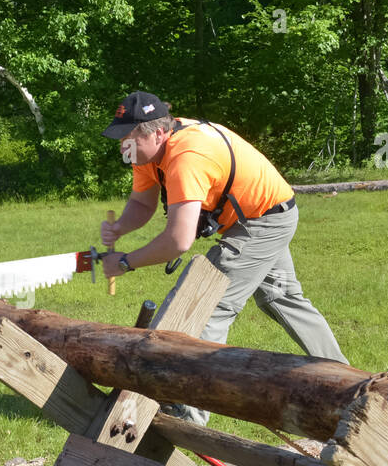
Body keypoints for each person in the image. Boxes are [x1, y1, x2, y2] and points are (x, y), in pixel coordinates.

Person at [99, 91, 348, 423]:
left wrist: (127, 261)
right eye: (121, 137)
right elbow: (143, 204)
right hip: (263, 211)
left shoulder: (187, 155)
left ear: (158, 131)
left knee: (205, 306)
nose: (124, 145)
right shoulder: (149, 152)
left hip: (262, 220)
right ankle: (349, 383)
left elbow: (178, 240)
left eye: (130, 137)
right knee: (282, 298)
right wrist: (119, 229)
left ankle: (189, 416)